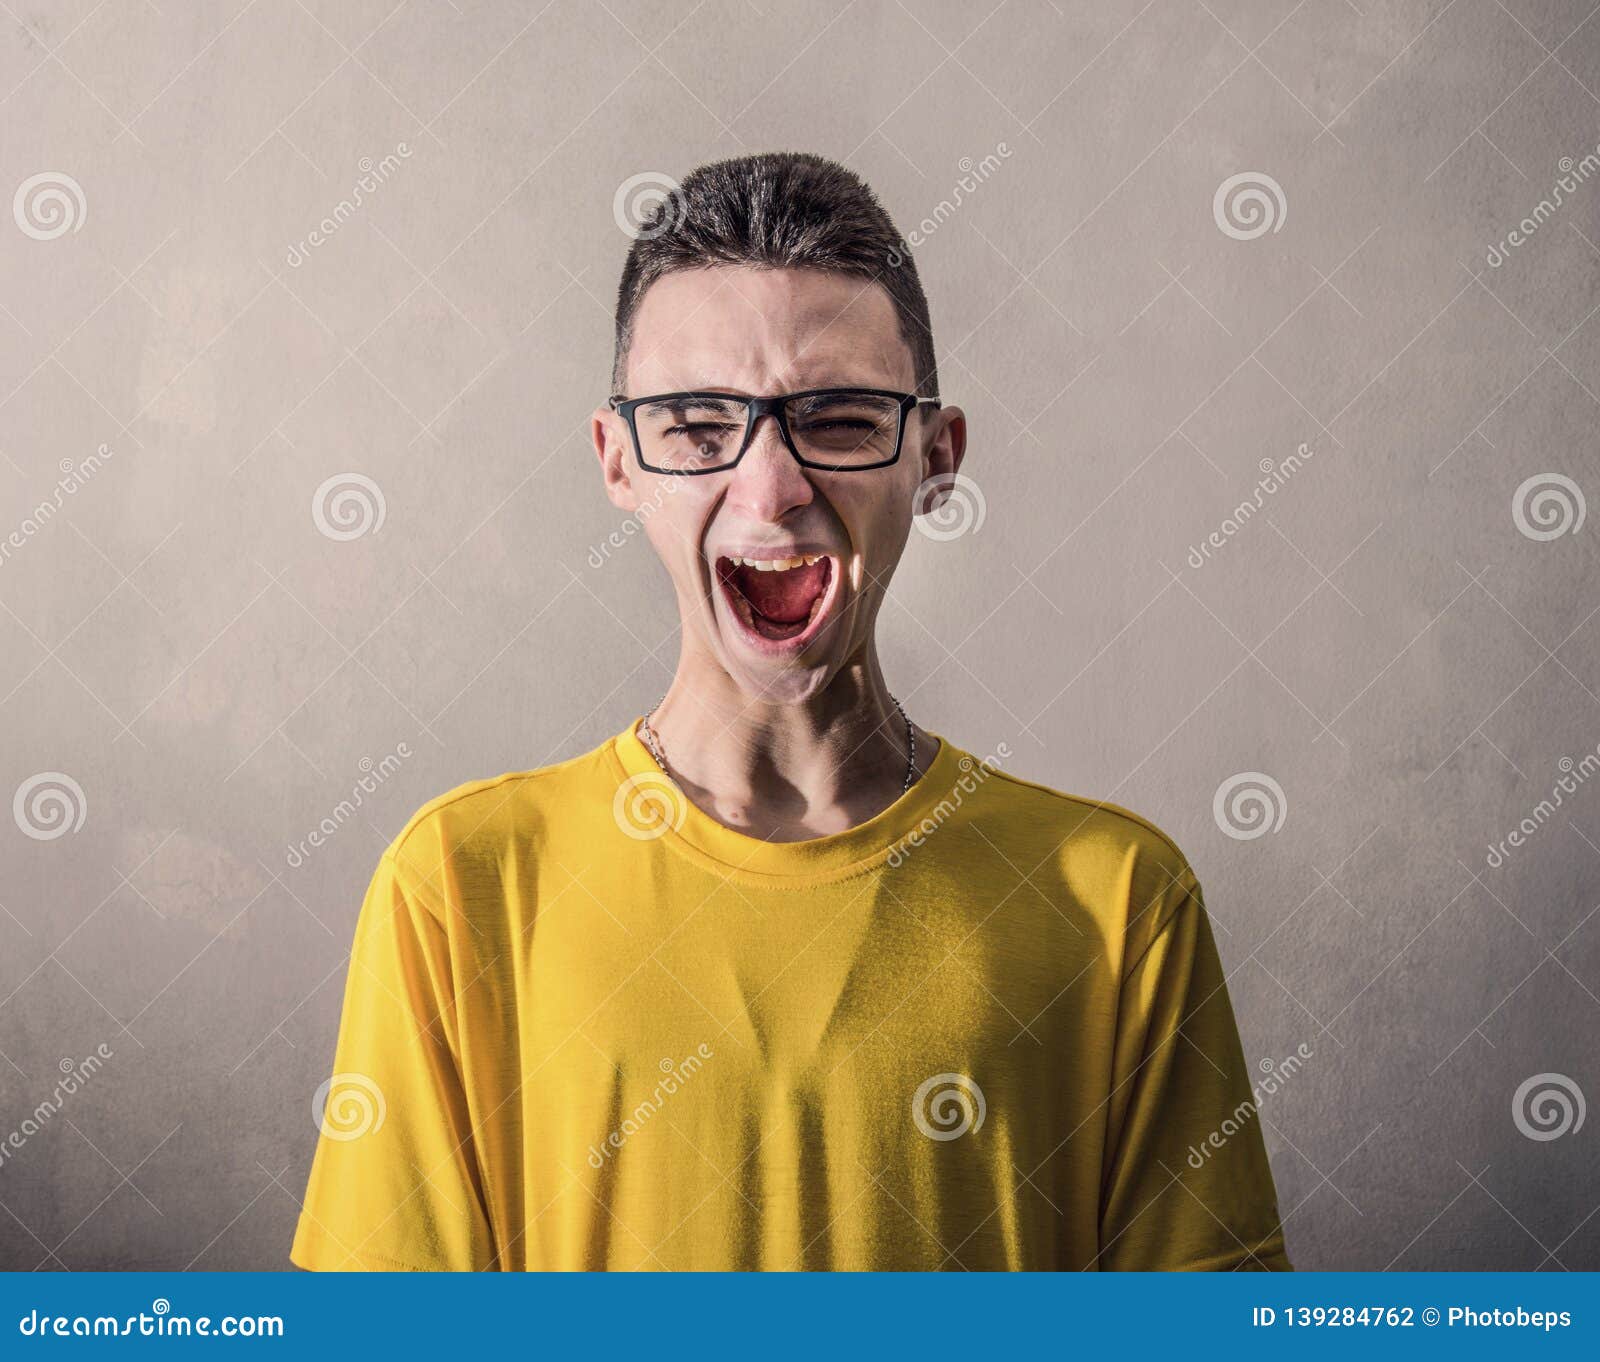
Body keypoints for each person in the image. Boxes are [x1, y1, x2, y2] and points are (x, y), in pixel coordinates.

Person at [291, 152, 1290, 1271]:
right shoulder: (461, 889)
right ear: (618, 463)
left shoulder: (1117, 903)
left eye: (842, 419)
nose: (771, 490)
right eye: (696, 426)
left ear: (937, 459)